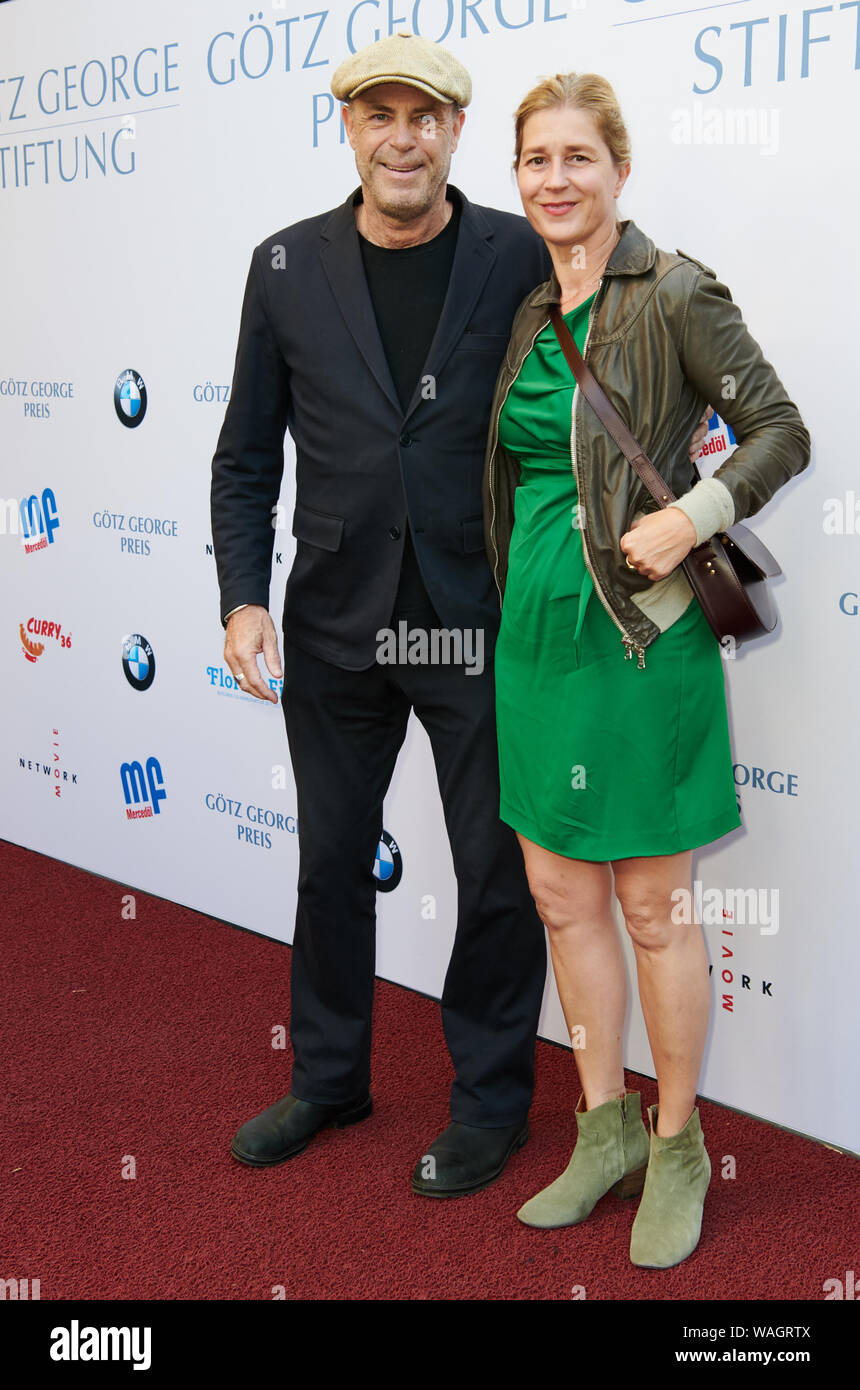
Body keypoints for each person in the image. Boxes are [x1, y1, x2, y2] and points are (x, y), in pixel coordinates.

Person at [210, 35, 707, 1199]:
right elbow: (243, 456)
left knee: (497, 873)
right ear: (348, 131)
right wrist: (240, 595)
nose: (400, 137)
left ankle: (490, 1102)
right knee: (330, 859)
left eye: (422, 119)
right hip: (334, 620)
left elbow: (608, 342)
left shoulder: (513, 250)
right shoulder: (281, 266)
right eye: (378, 117)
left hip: (476, 621)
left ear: (451, 135)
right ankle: (328, 1077)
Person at [482, 72, 809, 1266]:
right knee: (562, 901)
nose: (554, 179)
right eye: (533, 160)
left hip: (639, 638)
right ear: (514, 176)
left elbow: (780, 425)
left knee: (654, 911)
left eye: (577, 157)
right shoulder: (529, 313)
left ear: (619, 170)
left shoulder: (673, 290)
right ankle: (601, 1127)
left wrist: (694, 514)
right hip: (534, 646)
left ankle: (677, 1147)